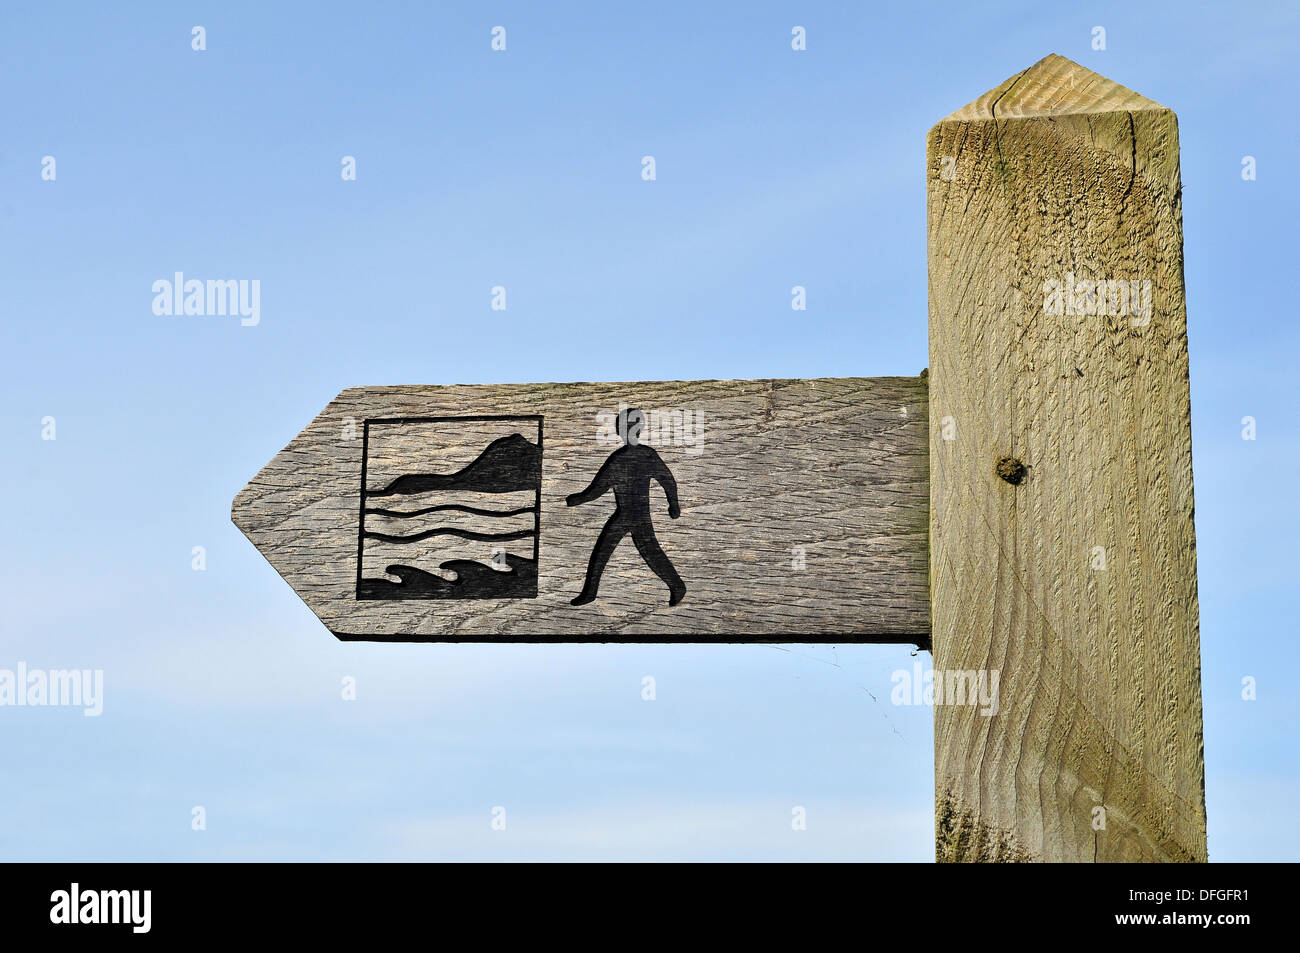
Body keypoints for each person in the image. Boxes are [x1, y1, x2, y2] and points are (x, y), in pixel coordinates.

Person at [567, 407, 686, 606]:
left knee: (646, 553)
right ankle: (590, 593)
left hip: (636, 517)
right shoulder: (634, 457)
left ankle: (677, 586)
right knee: (604, 552)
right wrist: (673, 504)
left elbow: (597, 489)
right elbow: (667, 480)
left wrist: (576, 499)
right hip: (627, 515)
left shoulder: (629, 457)